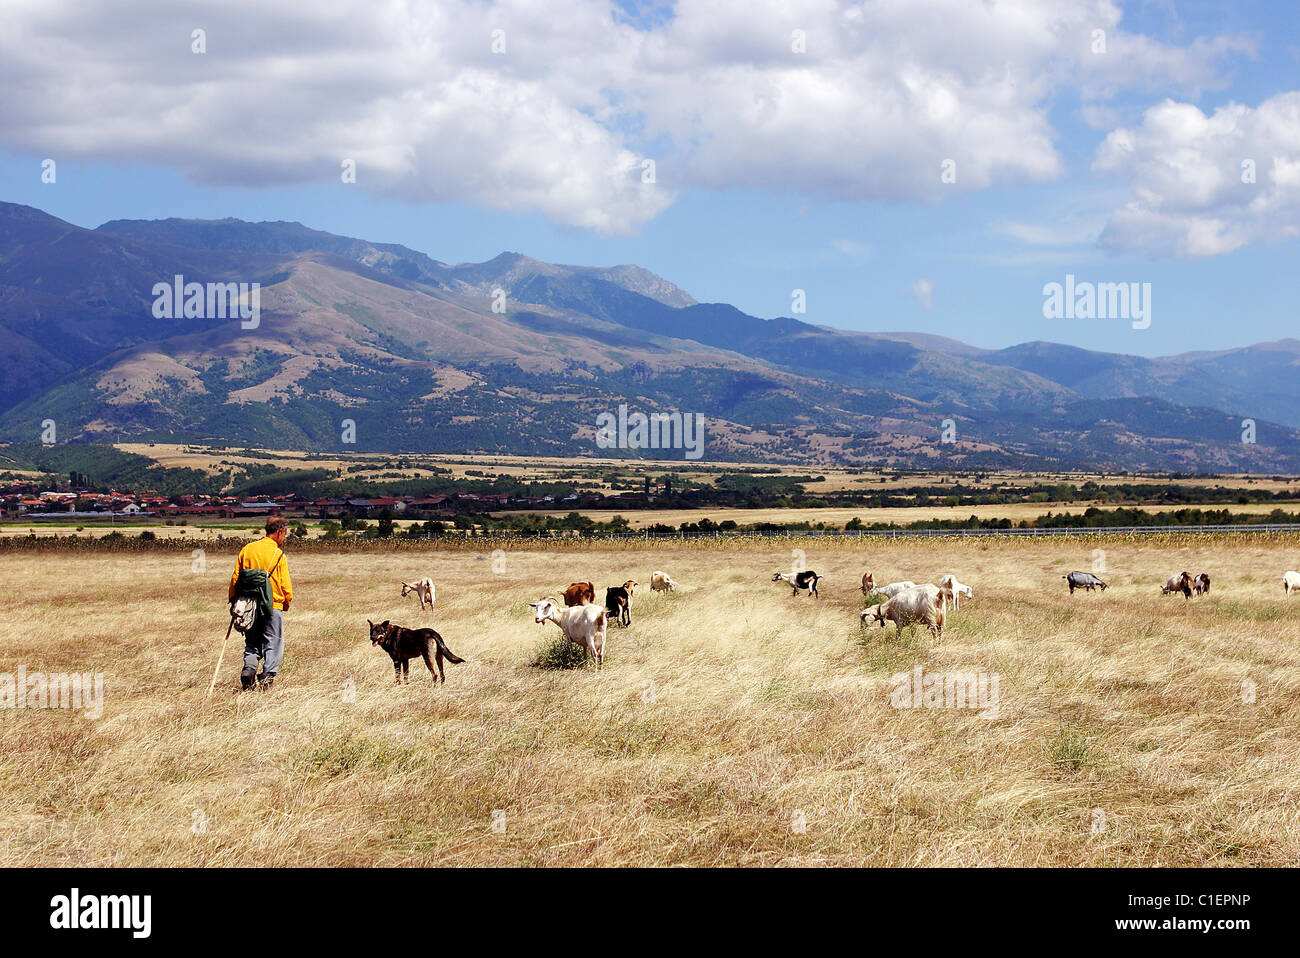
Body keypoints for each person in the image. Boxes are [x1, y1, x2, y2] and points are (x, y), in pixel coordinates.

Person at [228, 517, 293, 690]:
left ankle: (248, 670)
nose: (284, 539)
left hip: (248, 605)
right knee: (273, 641)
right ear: (279, 532)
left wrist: (233, 600)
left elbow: (236, 577)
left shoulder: (247, 549)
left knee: (252, 642)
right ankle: (267, 678)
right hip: (272, 605)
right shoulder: (278, 554)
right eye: (284, 534)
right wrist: (287, 601)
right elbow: (285, 584)